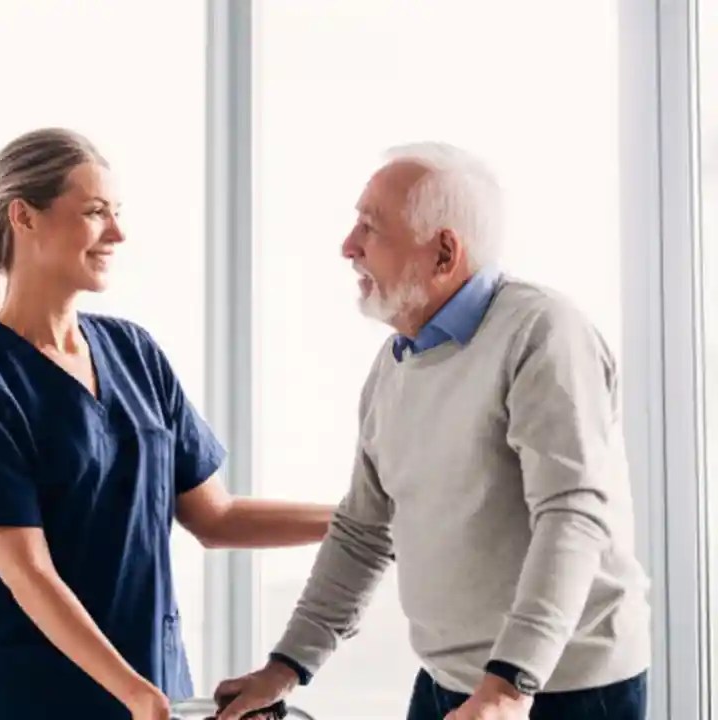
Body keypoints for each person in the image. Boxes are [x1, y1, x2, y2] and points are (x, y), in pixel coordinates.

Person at [214, 143, 651, 720]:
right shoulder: (394, 364)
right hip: (452, 681)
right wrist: (285, 667)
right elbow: (362, 532)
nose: (348, 247)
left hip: (560, 688)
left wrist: (510, 685)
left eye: (371, 227)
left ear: (444, 250)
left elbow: (572, 514)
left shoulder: (543, 334)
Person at [0, 127, 335, 720]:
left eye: (116, 213)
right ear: (24, 217)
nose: (117, 233)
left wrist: (365, 525)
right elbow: (27, 571)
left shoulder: (134, 352)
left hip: (151, 681)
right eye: (95, 213)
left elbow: (215, 517)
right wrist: (132, 692)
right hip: (31, 693)